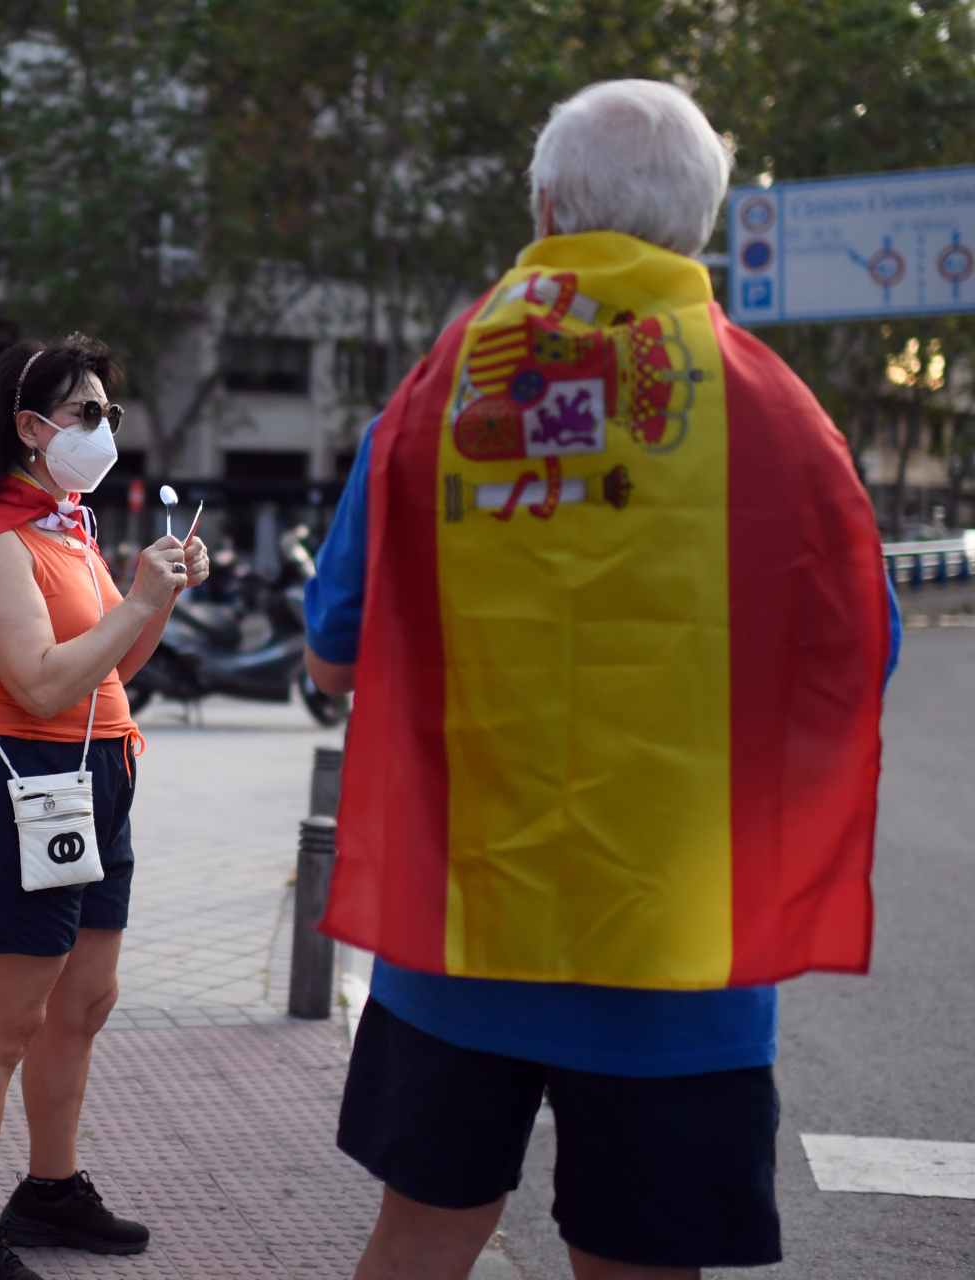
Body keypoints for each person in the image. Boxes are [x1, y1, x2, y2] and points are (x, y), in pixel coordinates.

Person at [304, 80, 903, 1280]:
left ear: (542, 206)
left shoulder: (431, 401)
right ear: (702, 224)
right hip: (677, 944)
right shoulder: (781, 420)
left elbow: (332, 650)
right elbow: (861, 657)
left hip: (459, 932)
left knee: (419, 1238)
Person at [0, 335, 208, 1280]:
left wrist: (152, 601)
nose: (104, 428)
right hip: (17, 790)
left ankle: (50, 1190)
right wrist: (137, 598)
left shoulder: (63, 524)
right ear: (32, 427)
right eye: (87, 413)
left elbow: (111, 669)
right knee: (1, 1027)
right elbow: (39, 686)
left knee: (83, 1001)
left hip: (94, 779)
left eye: (111, 414)